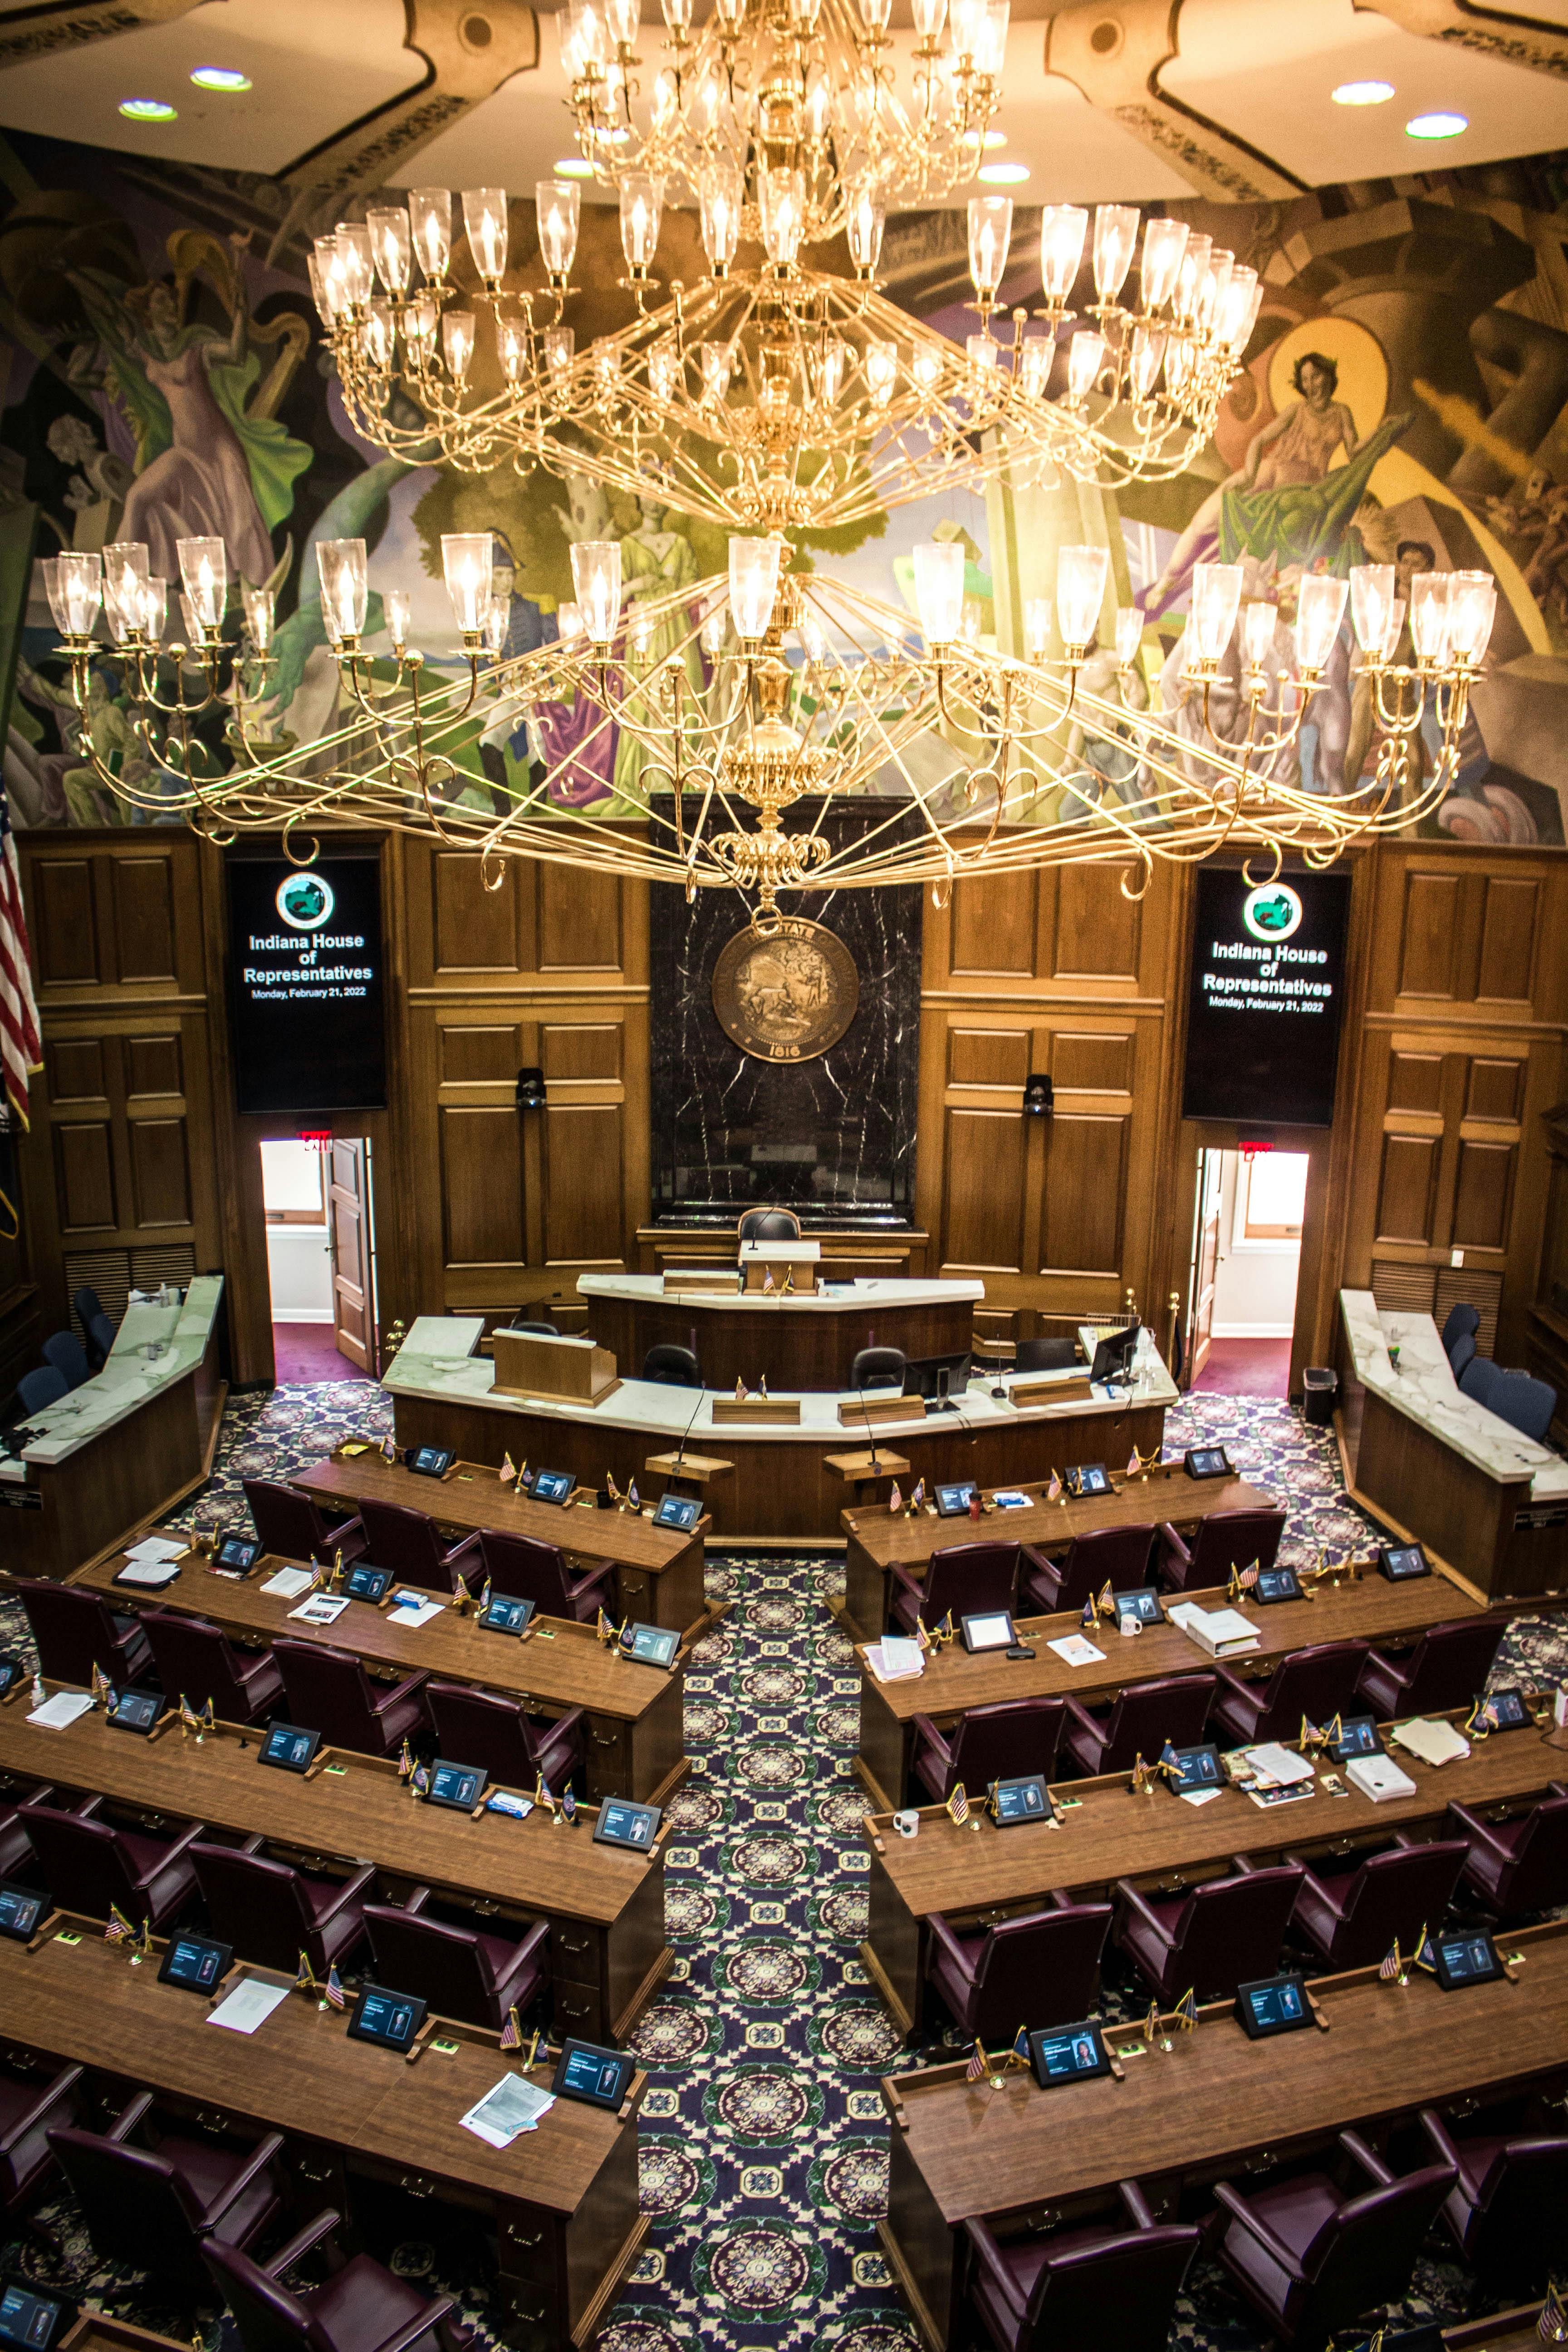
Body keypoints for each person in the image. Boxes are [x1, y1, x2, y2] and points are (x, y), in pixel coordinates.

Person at [65, 234, 309, 590]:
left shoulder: (195, 347)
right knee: (138, 497)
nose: (172, 305)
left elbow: (237, 353)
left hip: (219, 449)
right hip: (186, 452)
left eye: (171, 300)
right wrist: (72, 274)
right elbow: (107, 308)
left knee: (241, 526)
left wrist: (241, 309)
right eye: (163, 301)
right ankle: (120, 586)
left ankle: (258, 596)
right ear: (148, 313)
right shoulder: (146, 353)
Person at [1145, 354, 1409, 617]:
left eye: (1316, 376)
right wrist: (1249, 473)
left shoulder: (1341, 414)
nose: (1312, 385)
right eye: (1305, 380)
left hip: (1302, 493)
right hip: (1267, 474)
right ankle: (1166, 581)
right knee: (1204, 523)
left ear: (1329, 377)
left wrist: (1381, 433)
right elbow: (1260, 439)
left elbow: (1355, 453)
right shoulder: (1297, 410)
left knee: (1263, 558)